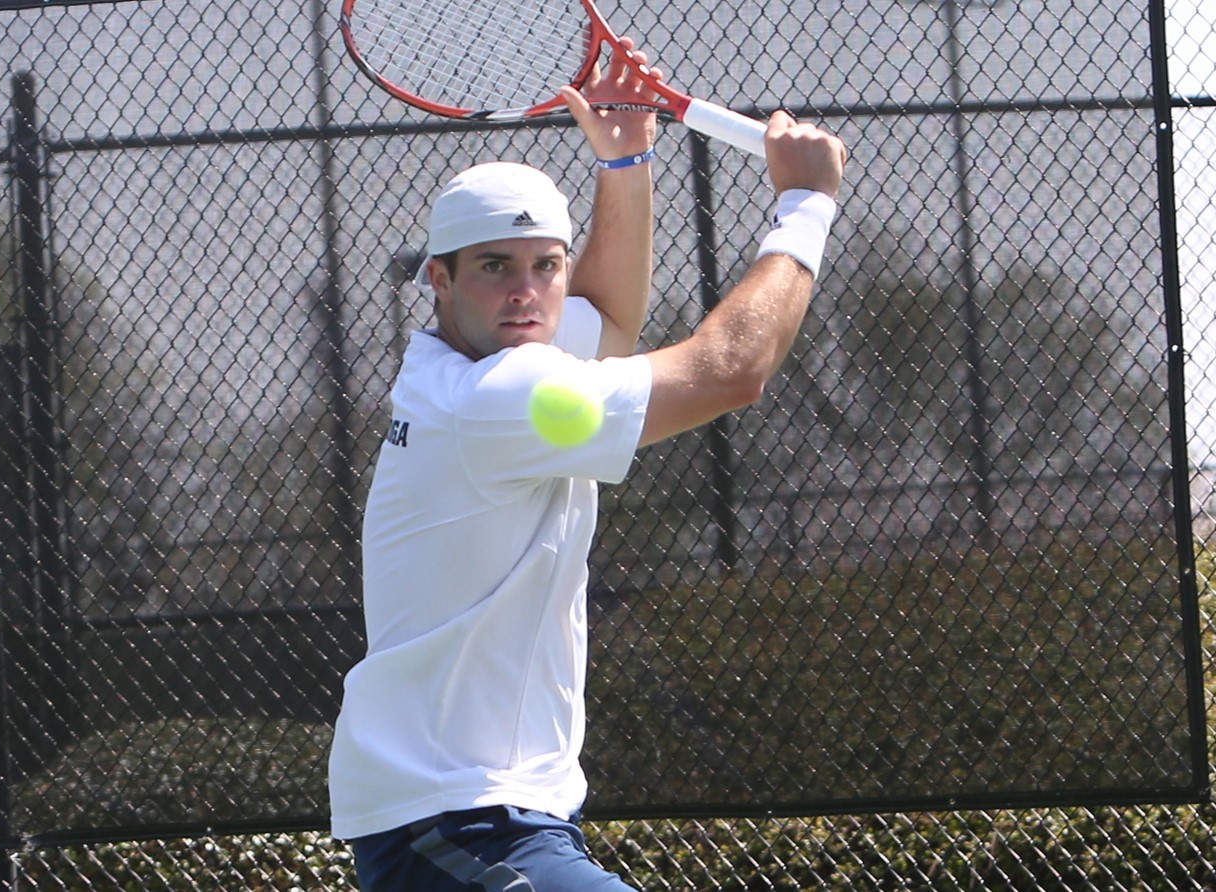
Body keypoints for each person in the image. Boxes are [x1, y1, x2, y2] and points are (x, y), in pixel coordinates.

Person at [327, 39, 848, 892]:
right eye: (496, 268)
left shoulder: (484, 366)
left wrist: (626, 163)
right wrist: (805, 204)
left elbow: (604, 315)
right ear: (439, 279)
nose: (527, 292)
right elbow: (730, 372)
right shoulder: (500, 398)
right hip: (455, 822)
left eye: (546, 266)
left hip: (497, 816)